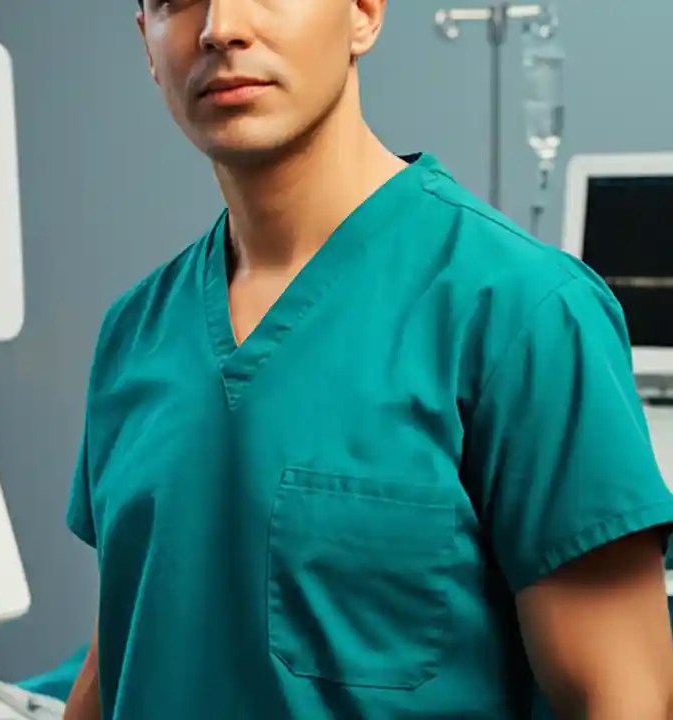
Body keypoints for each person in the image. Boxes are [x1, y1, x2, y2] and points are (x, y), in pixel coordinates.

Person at [61, 1, 673, 718]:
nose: (219, 26)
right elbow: (126, 653)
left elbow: (621, 697)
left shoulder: (524, 314)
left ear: (363, 13)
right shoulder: (136, 332)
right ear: (146, 40)